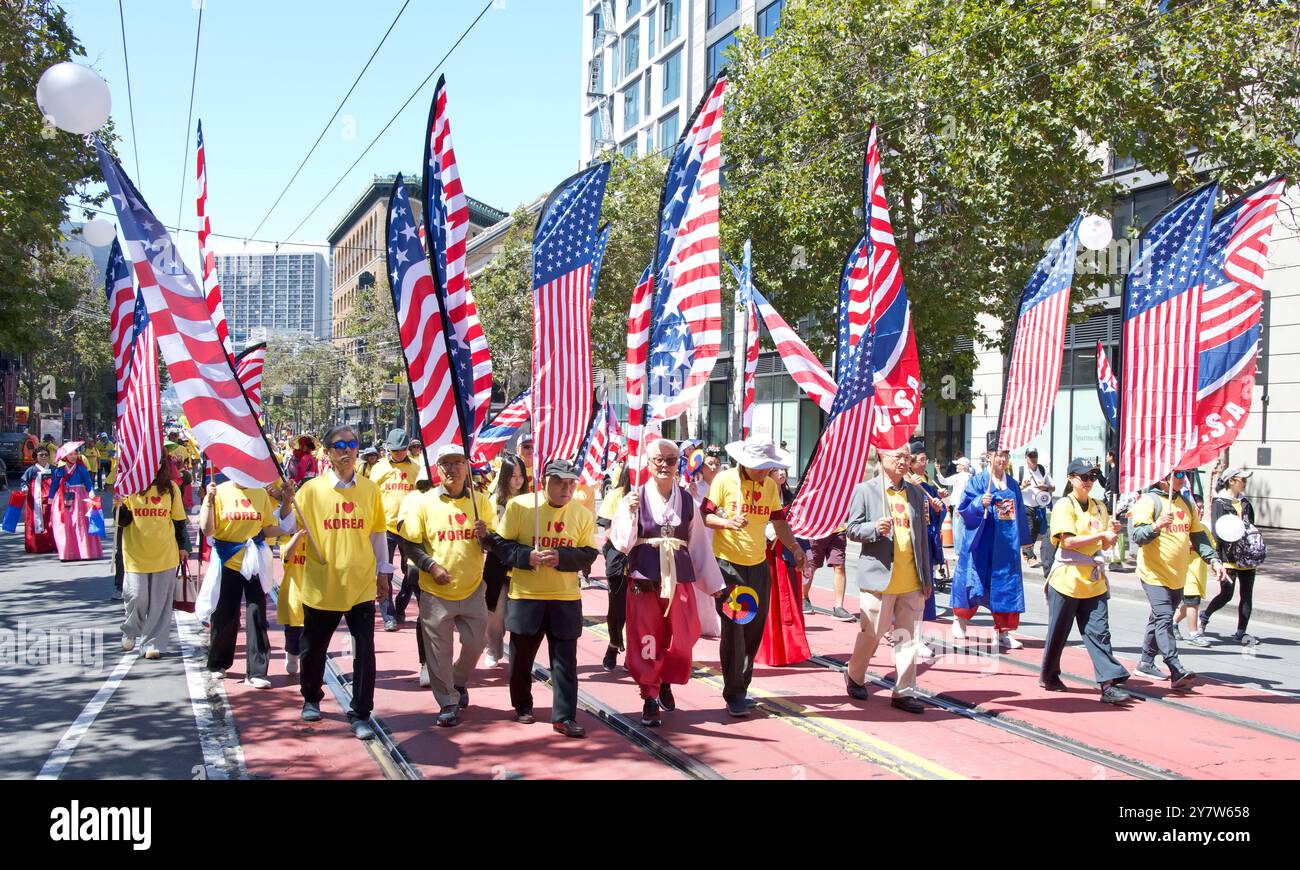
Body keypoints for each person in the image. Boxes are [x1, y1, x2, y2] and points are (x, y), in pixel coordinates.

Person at [609, 439, 724, 726]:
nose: (664, 465)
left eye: (670, 460)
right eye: (658, 460)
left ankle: (665, 680)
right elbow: (622, 543)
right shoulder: (634, 498)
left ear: (678, 465)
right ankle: (649, 694)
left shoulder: (687, 500)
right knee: (647, 639)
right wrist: (630, 512)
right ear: (647, 464)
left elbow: (697, 544)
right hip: (645, 579)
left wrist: (713, 583)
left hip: (680, 579)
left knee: (684, 638)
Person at [294, 425, 393, 741]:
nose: (347, 450)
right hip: (322, 584)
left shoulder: (370, 490)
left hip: (360, 584)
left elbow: (378, 534)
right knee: (313, 648)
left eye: (353, 444)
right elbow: (287, 526)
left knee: (365, 650)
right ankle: (311, 695)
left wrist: (383, 573)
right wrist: (283, 500)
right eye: (339, 445)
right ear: (327, 451)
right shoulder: (310, 491)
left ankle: (361, 711)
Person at [490, 459, 598, 738]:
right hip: (527, 596)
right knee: (521, 659)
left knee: (565, 662)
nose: (566, 488)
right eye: (560, 482)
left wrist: (563, 557)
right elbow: (501, 547)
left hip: (565, 598)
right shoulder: (520, 506)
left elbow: (588, 554)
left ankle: (564, 716)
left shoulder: (582, 514)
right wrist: (527, 556)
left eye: (571, 483)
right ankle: (522, 704)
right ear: (544, 481)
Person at [703, 437, 807, 717]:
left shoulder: (771, 486)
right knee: (734, 630)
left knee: (753, 630)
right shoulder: (724, 480)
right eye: (758, 467)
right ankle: (733, 693)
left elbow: (779, 522)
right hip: (729, 567)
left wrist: (795, 547)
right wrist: (726, 522)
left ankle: (742, 688)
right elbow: (705, 516)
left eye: (766, 467)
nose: (762, 472)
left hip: (758, 567)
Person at [396, 444, 495, 727]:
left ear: (466, 466)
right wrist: (431, 566)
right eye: (446, 464)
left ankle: (458, 681)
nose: (452, 469)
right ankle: (448, 702)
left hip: (473, 586)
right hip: (436, 591)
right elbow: (410, 544)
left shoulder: (481, 501)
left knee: (477, 643)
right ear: (437, 469)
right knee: (438, 650)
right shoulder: (424, 503)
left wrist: (485, 536)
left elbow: (494, 543)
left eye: (457, 462)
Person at [842, 443, 931, 714]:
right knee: (872, 634)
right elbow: (852, 529)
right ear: (883, 457)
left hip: (911, 579)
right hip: (879, 578)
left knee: (909, 638)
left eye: (907, 457)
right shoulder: (865, 490)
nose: (904, 461)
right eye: (898, 456)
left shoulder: (916, 493)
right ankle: (855, 675)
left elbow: (922, 538)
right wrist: (874, 528)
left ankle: (904, 691)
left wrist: (925, 576)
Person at [1039, 459, 1132, 704]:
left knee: (1099, 632)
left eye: (1092, 477)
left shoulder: (1100, 506)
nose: (1088, 482)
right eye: (1083, 477)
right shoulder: (1064, 506)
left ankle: (1109, 683)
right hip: (1067, 578)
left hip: (1093, 579)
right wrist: (1100, 534)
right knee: (1058, 632)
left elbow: (1102, 543)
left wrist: (1110, 534)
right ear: (1071, 478)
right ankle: (1049, 674)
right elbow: (1066, 541)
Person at [197, 474, 296, 689]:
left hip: (253, 562)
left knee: (256, 614)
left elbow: (267, 527)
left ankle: (257, 671)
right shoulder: (219, 491)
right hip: (227, 561)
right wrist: (207, 502)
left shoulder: (260, 494)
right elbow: (208, 530)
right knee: (225, 614)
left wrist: (286, 519)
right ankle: (218, 663)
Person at [1129, 469, 1226, 688]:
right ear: (1164, 478)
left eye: (1185, 475)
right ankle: (1175, 667)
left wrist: (1213, 559)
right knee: (1164, 618)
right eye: (1180, 475)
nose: (1185, 479)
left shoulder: (1186, 503)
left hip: (1178, 574)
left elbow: (1198, 534)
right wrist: (1157, 525)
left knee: (1158, 618)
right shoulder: (1148, 501)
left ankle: (1145, 662)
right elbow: (1138, 536)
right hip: (1153, 573)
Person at [952, 446, 1031, 649]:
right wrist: (980, 502)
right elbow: (964, 509)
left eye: (1006, 456)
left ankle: (1003, 631)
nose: (1002, 460)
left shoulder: (1012, 485)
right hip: (981, 542)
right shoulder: (977, 482)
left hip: (1005, 545)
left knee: (1006, 586)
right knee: (973, 582)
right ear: (989, 457)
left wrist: (1025, 545)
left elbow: (1020, 514)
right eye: (999, 455)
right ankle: (960, 620)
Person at [115, 455, 190, 659]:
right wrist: (119, 506)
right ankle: (131, 630)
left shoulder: (171, 488)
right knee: (137, 597)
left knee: (159, 602)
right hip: (134, 554)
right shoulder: (128, 486)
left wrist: (184, 546)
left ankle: (153, 643)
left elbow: (179, 521)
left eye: (155, 460)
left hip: (165, 554)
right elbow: (122, 522)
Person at [758, 466, 812, 667]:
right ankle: (770, 649)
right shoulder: (759, 493)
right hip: (767, 554)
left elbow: (800, 526)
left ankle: (792, 648)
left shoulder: (793, 498)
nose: (781, 473)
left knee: (790, 599)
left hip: (787, 554)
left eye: (784, 470)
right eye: (776, 470)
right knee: (770, 601)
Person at [368, 428, 421, 631]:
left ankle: (401, 606)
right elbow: (371, 498)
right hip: (385, 529)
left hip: (409, 528)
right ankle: (388, 615)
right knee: (384, 573)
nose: (399, 453)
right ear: (388, 448)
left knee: (412, 572)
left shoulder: (416, 468)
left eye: (402, 449)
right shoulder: (379, 469)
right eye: (395, 450)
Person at [1204, 468, 1261, 646]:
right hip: (1228, 557)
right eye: (1242, 479)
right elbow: (1217, 531)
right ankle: (1204, 617)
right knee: (1226, 594)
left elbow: (1251, 527)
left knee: (1246, 595)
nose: (1245, 482)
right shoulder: (1220, 502)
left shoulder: (1245, 503)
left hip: (1247, 557)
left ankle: (1241, 632)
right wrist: (1216, 558)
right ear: (1231, 481)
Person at [483, 453, 528, 669]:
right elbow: (490, 535)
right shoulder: (496, 500)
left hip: (523, 562)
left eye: (521, 476)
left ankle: (519, 656)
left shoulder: (531, 499)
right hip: (498, 562)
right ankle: (493, 648)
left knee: (520, 613)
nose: (517, 480)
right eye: (513, 476)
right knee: (496, 611)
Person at [684, 444, 725, 639]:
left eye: (717, 463)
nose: (714, 467)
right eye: (710, 463)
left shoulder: (724, 488)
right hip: (700, 538)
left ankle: (715, 620)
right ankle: (698, 621)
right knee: (700, 580)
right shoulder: (693, 488)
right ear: (701, 467)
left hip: (720, 539)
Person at [596, 461, 630, 672]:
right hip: (618, 555)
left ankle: (635, 653)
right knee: (617, 607)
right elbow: (607, 531)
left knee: (641, 610)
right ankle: (613, 644)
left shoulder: (651, 494)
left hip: (644, 556)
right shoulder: (615, 495)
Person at [49, 442, 102, 562]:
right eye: (70, 454)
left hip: (79, 497)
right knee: (64, 524)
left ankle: (84, 552)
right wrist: (50, 499)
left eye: (75, 453)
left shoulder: (82, 469)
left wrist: (91, 492)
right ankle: (66, 552)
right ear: (65, 456)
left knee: (80, 523)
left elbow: (88, 483)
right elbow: (53, 486)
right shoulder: (58, 471)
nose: (73, 456)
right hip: (62, 497)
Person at [1018, 448, 1053, 566]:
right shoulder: (1021, 470)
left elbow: (1053, 487)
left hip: (1039, 506)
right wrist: (1022, 486)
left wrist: (1046, 487)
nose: (1033, 458)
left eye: (1035, 456)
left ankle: (1025, 552)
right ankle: (1030, 556)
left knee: (1036, 532)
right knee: (1029, 530)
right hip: (1025, 506)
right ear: (1026, 457)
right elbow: (1013, 489)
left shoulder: (1042, 470)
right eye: (1030, 456)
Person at [19, 446, 55, 554]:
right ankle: (36, 546)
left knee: (51, 522)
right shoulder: (32, 470)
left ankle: (52, 544)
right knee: (35, 522)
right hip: (35, 501)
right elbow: (24, 481)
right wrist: (24, 487)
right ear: (36, 457)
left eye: (46, 455)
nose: (44, 457)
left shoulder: (53, 469)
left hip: (51, 500)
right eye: (41, 455)